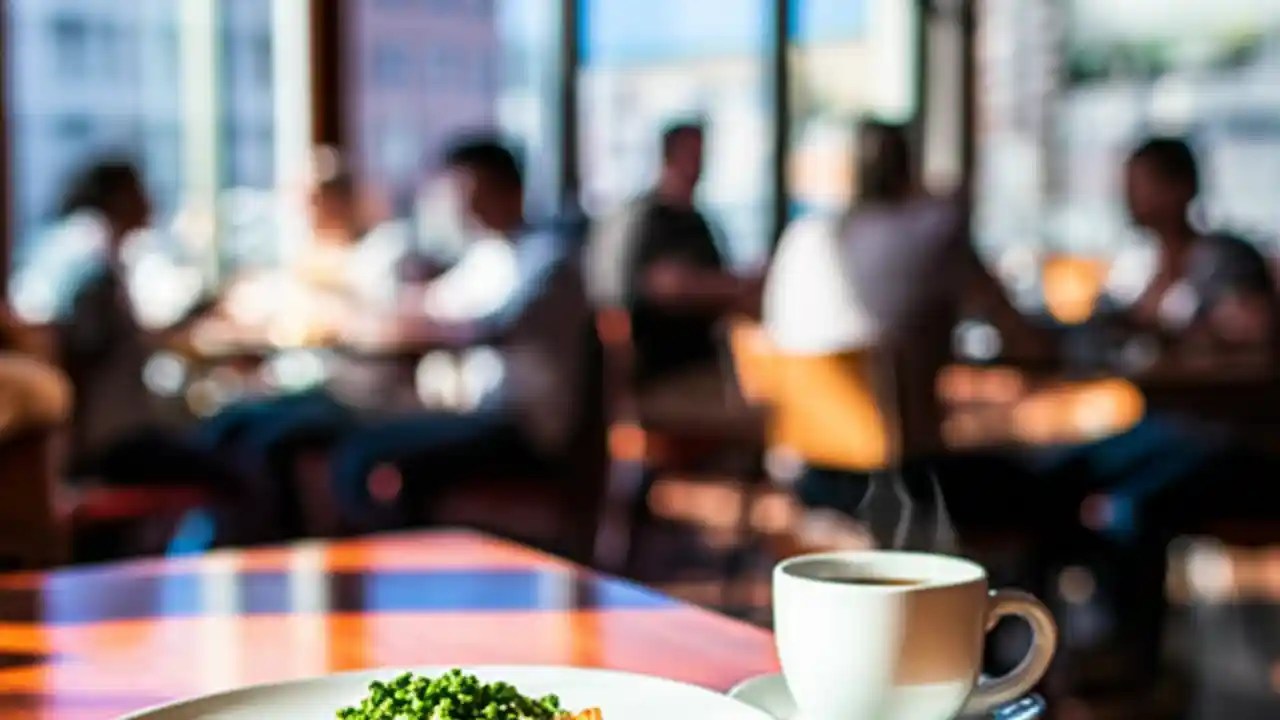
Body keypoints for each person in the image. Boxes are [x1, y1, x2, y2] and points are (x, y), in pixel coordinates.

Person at [315, 139, 591, 526]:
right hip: (479, 413)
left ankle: (409, 571)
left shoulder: (547, 258)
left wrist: (417, 327)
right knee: (356, 451)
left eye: (473, 193)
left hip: (524, 426)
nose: (466, 207)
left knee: (367, 456)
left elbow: (493, 326)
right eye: (459, 194)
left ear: (511, 190)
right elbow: (428, 307)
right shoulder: (486, 255)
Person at [48, 160, 243, 497]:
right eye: (140, 190)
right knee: (240, 473)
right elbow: (89, 352)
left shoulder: (90, 254)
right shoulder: (94, 267)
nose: (150, 200)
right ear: (119, 198)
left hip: (103, 437)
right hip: (111, 442)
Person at [621, 123, 761, 432]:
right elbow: (667, 285)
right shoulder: (650, 219)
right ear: (669, 157)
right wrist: (731, 287)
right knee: (767, 422)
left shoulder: (697, 220)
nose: (698, 164)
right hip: (668, 376)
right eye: (691, 155)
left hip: (705, 369)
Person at [1101, 136, 1277, 355]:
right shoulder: (1134, 270)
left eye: (1142, 184)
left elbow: (1253, 329)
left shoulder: (1224, 260)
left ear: (1183, 187)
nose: (1130, 197)